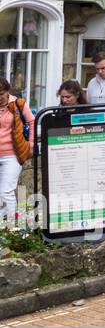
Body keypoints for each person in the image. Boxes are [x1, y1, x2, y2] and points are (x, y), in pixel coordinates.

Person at [0, 77, 35, 227]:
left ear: (7, 91)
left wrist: (31, 144)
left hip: (12, 153)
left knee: (5, 192)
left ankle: (11, 228)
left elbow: (32, 121)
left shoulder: (18, 104)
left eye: (0, 94)